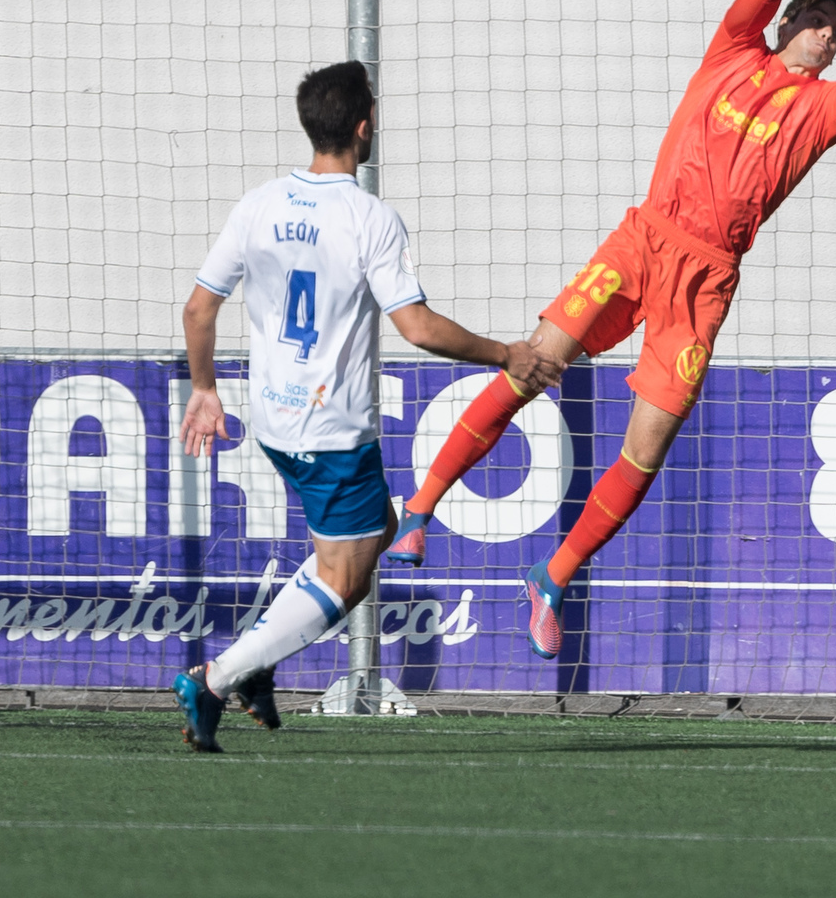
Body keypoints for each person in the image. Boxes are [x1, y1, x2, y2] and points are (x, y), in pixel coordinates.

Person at [380, 0, 836, 660]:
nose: (826, 34)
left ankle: (553, 573)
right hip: (644, 240)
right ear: (788, 23)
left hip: (707, 281)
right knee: (534, 361)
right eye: (816, 19)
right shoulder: (730, 52)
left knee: (647, 447)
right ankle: (420, 507)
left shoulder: (820, 110)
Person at [171, 61, 563, 752]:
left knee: (377, 526)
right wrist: (506, 353)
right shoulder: (368, 217)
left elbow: (199, 307)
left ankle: (256, 663)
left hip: (272, 417)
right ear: (362, 125)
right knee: (346, 580)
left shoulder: (258, 204)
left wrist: (204, 389)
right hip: (330, 430)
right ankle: (218, 676)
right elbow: (416, 326)